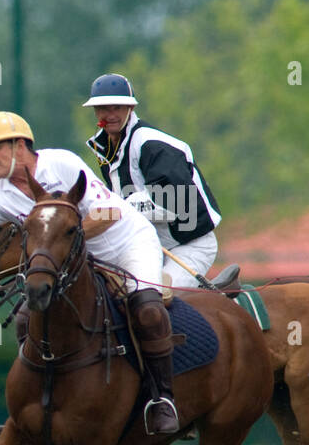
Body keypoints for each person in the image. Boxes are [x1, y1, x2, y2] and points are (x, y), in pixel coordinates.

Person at [0, 111, 180, 436]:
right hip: (78, 262)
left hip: (128, 244)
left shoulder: (61, 164)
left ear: (21, 144)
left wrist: (63, 236)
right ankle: (37, 404)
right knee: (28, 317)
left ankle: (161, 399)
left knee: (148, 310)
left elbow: (108, 213)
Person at [84, 73, 231, 290]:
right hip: (152, 247)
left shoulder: (152, 145)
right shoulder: (107, 148)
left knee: (154, 297)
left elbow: (174, 204)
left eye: (117, 107)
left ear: (130, 108)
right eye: (104, 108)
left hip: (189, 245)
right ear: (96, 112)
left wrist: (116, 210)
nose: (110, 114)